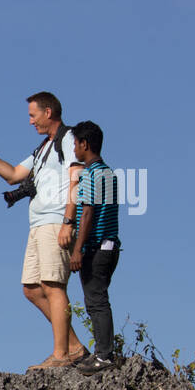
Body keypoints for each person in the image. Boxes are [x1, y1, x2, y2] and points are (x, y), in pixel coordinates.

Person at [0, 92, 88, 370]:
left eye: (32, 115)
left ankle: (61, 355)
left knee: (53, 285)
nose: (30, 122)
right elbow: (14, 174)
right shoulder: (43, 148)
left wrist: (68, 221)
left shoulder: (68, 138)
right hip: (38, 223)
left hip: (56, 221)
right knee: (31, 289)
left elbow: (77, 178)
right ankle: (73, 346)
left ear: (48, 112)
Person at [65, 121, 121, 374]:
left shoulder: (89, 174)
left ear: (85, 144)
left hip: (97, 248)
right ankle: (102, 351)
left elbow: (87, 212)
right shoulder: (108, 172)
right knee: (97, 299)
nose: (74, 148)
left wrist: (78, 249)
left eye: (76, 143)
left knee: (96, 301)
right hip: (111, 247)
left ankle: (104, 356)